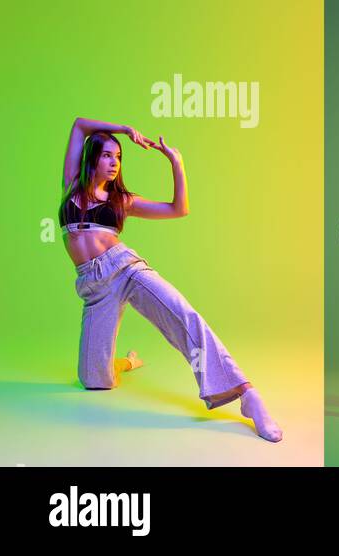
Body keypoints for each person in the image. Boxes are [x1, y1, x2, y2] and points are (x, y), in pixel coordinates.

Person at [59, 118, 281, 442]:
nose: (114, 163)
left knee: (183, 316)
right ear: (92, 158)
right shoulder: (71, 188)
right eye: (108, 155)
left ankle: (247, 394)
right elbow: (78, 125)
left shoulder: (122, 201)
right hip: (94, 289)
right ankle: (124, 363)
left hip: (126, 270)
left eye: (119, 158)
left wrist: (176, 163)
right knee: (94, 380)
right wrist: (123, 130)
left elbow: (179, 209)